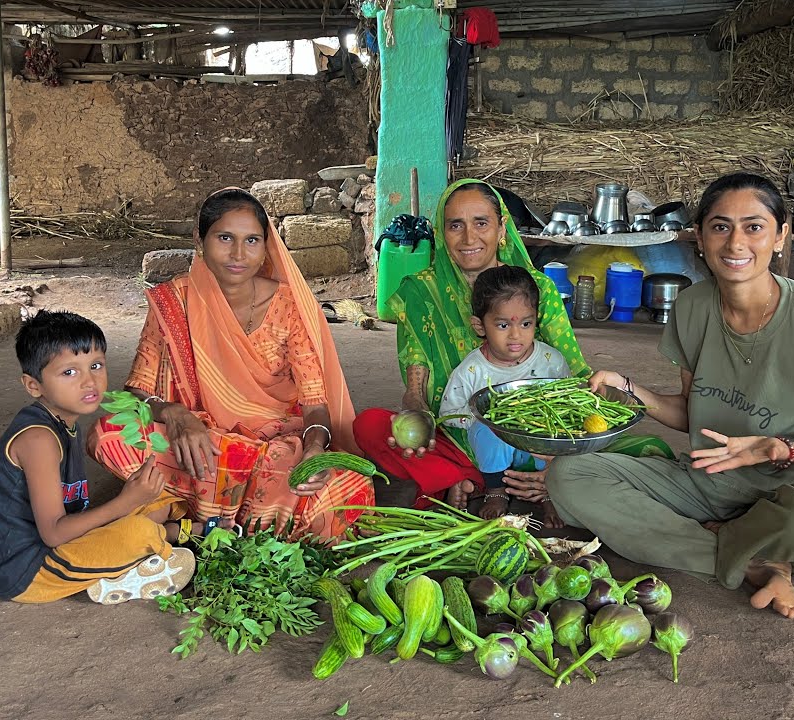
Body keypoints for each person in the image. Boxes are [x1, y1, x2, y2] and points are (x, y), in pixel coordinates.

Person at [542, 172, 794, 619]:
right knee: (569, 477)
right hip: (707, 481)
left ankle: (731, 541)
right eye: (720, 226)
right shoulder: (691, 307)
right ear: (699, 237)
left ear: (780, 237)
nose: (735, 242)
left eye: (754, 227)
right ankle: (755, 559)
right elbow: (692, 413)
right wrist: (631, 390)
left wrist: (778, 448)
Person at [89, 189, 374, 542]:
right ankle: (248, 517)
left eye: (252, 240)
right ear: (200, 239)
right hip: (201, 440)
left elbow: (315, 404)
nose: (239, 254)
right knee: (110, 434)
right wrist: (176, 415)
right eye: (225, 238)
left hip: (276, 445)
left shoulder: (287, 305)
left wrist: (315, 448)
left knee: (345, 491)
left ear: (265, 245)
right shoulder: (174, 301)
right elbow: (136, 393)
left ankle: (193, 512)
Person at [352, 179, 590, 509]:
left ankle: (466, 481)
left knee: (610, 447)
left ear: (502, 228)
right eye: (455, 225)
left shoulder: (537, 288)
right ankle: (475, 477)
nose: (468, 238)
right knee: (369, 426)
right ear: (440, 232)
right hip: (456, 433)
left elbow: (573, 376)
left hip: (536, 435)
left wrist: (558, 457)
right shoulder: (422, 291)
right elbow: (416, 372)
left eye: (481, 223)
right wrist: (416, 410)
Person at [0, 310, 196, 605]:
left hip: (61, 542)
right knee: (137, 529)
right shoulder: (38, 440)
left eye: (95, 365)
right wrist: (125, 503)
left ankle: (157, 543)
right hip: (29, 573)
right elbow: (54, 533)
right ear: (33, 385)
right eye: (69, 372)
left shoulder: (65, 422)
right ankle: (154, 552)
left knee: (158, 500)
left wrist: (132, 499)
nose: (89, 381)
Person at [438, 265, 569, 527]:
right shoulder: (471, 370)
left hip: (538, 449)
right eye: (502, 324)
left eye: (526, 323)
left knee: (558, 432)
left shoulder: (550, 362)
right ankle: (495, 489)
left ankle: (550, 494)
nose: (516, 335)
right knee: (489, 430)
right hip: (493, 451)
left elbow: (566, 404)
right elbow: (449, 416)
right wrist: (488, 418)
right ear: (479, 325)